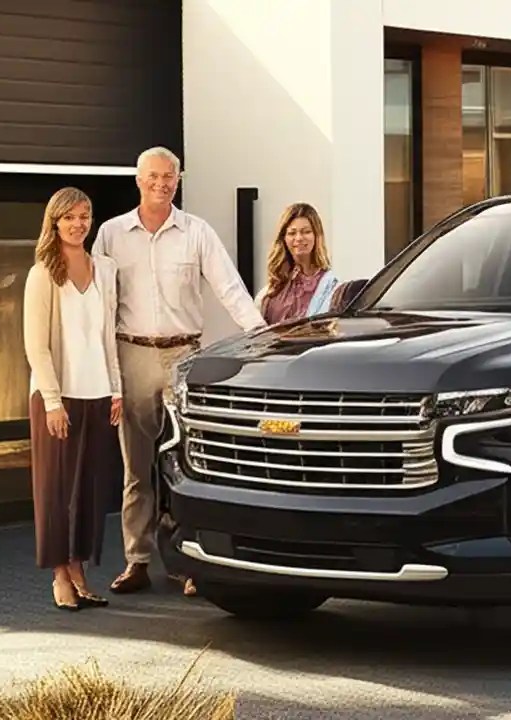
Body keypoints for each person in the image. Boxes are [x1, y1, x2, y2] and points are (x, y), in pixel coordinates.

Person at [93, 146, 265, 597]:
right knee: (137, 468)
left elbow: (230, 287)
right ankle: (137, 560)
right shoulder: (111, 235)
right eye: (153, 175)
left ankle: (189, 561)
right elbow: (97, 304)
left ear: (178, 180)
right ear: (138, 180)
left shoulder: (197, 233)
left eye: (169, 176)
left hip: (184, 358)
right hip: (131, 356)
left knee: (185, 465)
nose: (162, 183)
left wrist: (263, 336)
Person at [23, 186, 122, 611]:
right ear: (55, 222)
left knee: (89, 490)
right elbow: (36, 345)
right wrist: (51, 401)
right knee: (57, 489)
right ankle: (60, 575)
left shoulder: (105, 269)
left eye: (85, 216)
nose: (78, 224)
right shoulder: (43, 273)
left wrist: (117, 388)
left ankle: (79, 569)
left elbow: (108, 337)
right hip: (57, 396)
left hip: (98, 392)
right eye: (70, 217)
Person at [256, 203, 339, 324]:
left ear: (316, 236)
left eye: (306, 232)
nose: (299, 238)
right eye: (292, 233)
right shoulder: (274, 286)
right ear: (283, 238)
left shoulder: (330, 285)